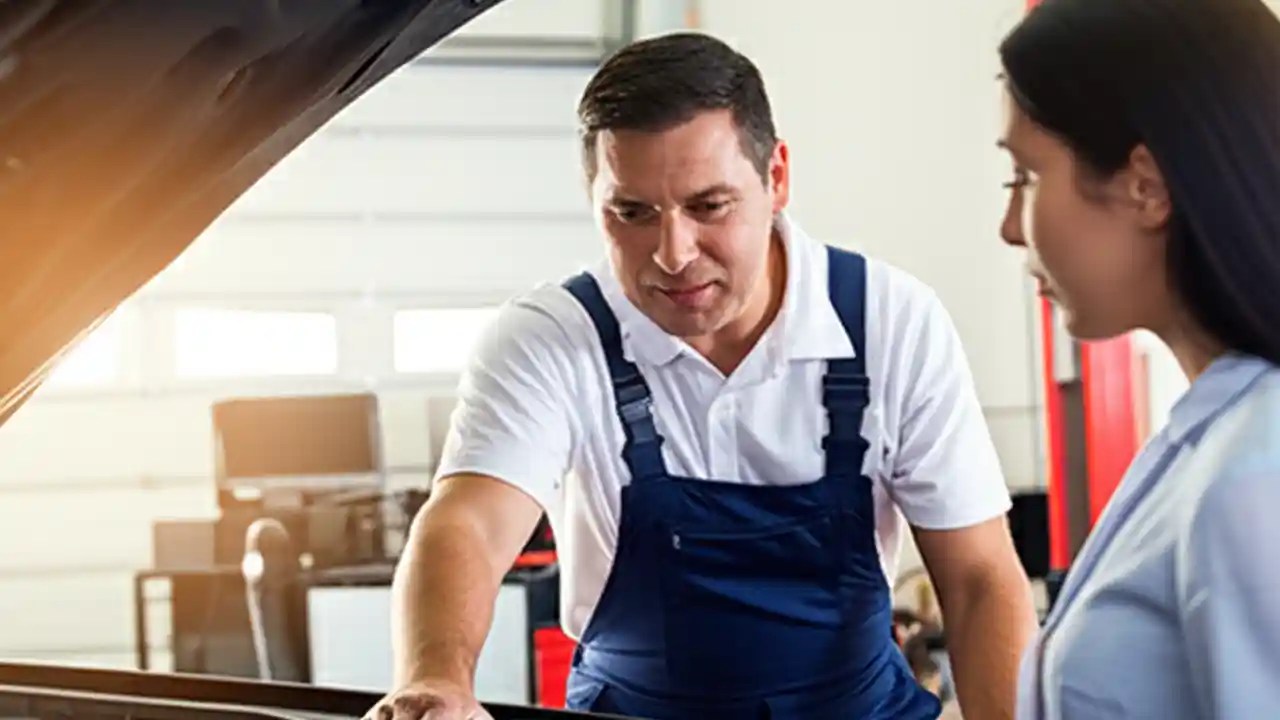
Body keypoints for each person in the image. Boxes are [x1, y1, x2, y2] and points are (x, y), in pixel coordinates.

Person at [366, 31, 1036, 720]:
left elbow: (981, 579)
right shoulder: (551, 338)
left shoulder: (890, 323)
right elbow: (469, 523)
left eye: (708, 206)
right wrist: (437, 679)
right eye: (632, 213)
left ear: (776, 178)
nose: (673, 254)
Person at [996, 1, 1280, 718]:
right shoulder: (1213, 434)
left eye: (1026, 176)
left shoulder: (1252, 480)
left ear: (1145, 185)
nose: (1009, 227)